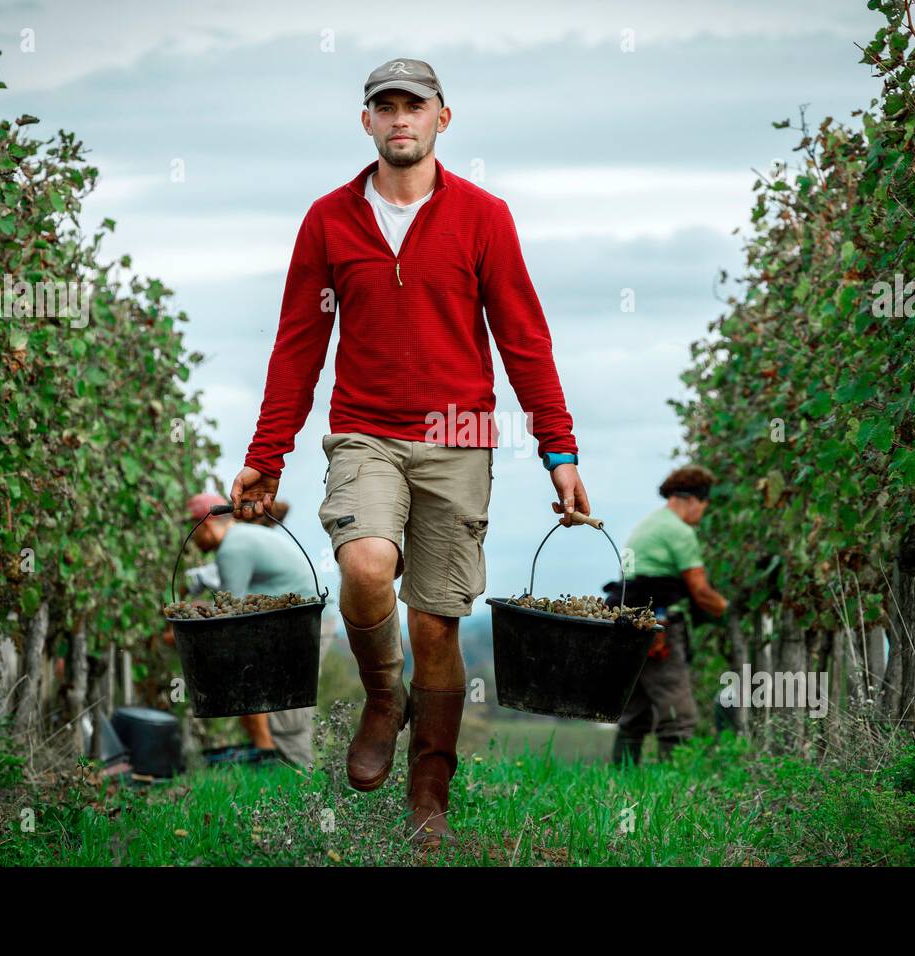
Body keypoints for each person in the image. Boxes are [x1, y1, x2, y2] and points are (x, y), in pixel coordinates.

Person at [228, 58, 588, 848]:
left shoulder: (484, 217)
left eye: (413, 107)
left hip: (460, 438)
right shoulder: (328, 220)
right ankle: (383, 697)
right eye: (384, 107)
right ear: (366, 122)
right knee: (363, 566)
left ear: (441, 119)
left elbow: (523, 338)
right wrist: (269, 453)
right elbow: (298, 346)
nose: (399, 120)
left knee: (435, 626)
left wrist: (558, 447)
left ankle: (431, 787)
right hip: (364, 431)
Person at [185, 492, 334, 769]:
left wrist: (186, 637)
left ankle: (299, 784)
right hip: (295, 623)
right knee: (283, 705)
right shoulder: (242, 538)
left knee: (285, 710)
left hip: (300, 626)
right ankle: (291, 787)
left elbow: (230, 618)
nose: (191, 539)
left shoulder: (232, 548)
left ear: (204, 525)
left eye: (192, 530)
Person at [610, 465, 727, 766]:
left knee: (635, 707)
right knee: (678, 711)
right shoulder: (679, 531)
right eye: (703, 506)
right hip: (657, 626)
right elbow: (700, 591)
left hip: (626, 623)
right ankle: (676, 783)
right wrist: (727, 611)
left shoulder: (650, 523)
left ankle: (621, 776)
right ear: (692, 500)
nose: (701, 514)